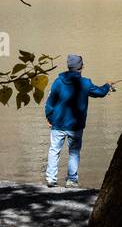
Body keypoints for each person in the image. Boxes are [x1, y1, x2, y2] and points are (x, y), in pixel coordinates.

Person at [43, 54, 114, 188]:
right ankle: (72, 180)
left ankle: (51, 179)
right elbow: (99, 92)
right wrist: (107, 86)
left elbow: (50, 103)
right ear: (81, 67)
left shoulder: (58, 82)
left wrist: (49, 117)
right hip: (75, 127)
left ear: (68, 67)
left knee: (54, 150)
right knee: (74, 152)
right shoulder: (85, 83)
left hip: (57, 123)